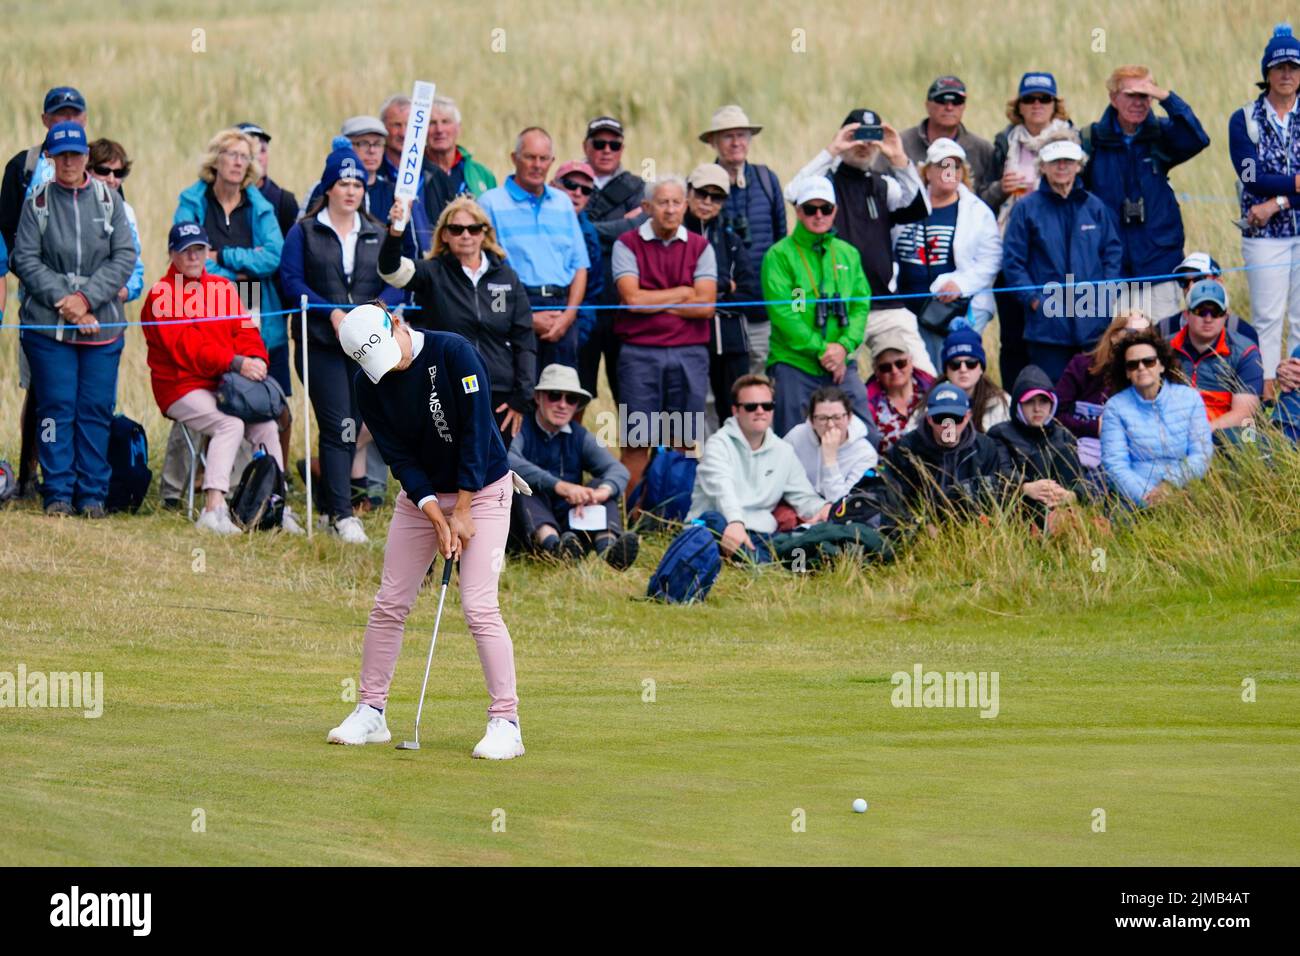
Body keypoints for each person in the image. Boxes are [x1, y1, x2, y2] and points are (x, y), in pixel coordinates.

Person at [326, 304, 525, 761]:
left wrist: (465, 508)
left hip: (486, 491)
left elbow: (478, 432)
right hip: (424, 498)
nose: (390, 369)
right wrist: (436, 514)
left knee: (478, 606)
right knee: (390, 601)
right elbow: (399, 456)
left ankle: (506, 721)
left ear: (396, 324)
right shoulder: (367, 382)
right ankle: (370, 711)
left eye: (390, 356)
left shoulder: (455, 353)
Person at [12, 121, 135, 517]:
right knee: (55, 407)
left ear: (85, 156)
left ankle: (93, 493)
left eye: (75, 154)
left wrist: (85, 299)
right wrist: (64, 300)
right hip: (49, 329)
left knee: (95, 408)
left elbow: (124, 256)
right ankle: (58, 491)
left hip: (102, 327)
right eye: (61, 154)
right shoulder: (38, 204)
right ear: (50, 156)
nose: (69, 161)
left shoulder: (108, 201)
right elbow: (24, 259)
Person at [280, 145, 401, 544]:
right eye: (343, 183)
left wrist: (379, 309)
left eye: (357, 184)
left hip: (367, 345)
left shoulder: (376, 232)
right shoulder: (305, 231)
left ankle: (343, 502)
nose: (350, 191)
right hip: (321, 344)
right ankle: (341, 514)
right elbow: (292, 280)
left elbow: (394, 279)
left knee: (361, 424)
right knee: (338, 426)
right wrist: (330, 311)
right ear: (328, 187)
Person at [142, 223, 297, 534]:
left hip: (225, 385)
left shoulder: (223, 288)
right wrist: (235, 362)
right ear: (172, 253)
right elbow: (186, 349)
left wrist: (255, 360)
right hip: (181, 386)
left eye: (198, 248)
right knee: (231, 424)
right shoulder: (162, 294)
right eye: (186, 250)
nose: (193, 256)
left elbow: (247, 331)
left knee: (267, 425)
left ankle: (276, 506)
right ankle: (213, 510)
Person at [782, 108, 934, 375]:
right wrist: (833, 150)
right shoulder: (824, 186)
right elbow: (794, 192)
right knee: (830, 383)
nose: (864, 144)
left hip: (885, 305)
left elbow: (920, 207)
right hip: (837, 308)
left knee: (924, 376)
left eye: (871, 136)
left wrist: (898, 156)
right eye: (857, 135)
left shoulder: (883, 185)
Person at [378, 194, 536, 437]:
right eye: (456, 229)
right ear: (444, 234)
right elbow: (390, 271)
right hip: (447, 388)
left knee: (493, 472)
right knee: (452, 469)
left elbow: (524, 340)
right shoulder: (431, 273)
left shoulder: (507, 277)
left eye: (473, 229)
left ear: (484, 233)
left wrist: (522, 397)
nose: (466, 235)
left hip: (499, 393)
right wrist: (396, 230)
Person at [2, 86, 89, 502]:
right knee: (40, 389)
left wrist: (85, 295)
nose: (66, 120)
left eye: (74, 114)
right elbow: (9, 237)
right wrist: (50, 288)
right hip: (37, 298)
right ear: (44, 120)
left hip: (89, 305)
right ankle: (28, 475)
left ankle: (76, 477)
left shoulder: (92, 164)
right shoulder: (22, 166)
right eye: (58, 114)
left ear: (84, 119)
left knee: (82, 391)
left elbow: (115, 240)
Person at [612, 175, 717, 492]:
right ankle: (631, 516)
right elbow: (632, 300)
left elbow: (705, 307)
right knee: (636, 440)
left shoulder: (700, 247)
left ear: (685, 206)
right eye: (662, 203)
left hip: (689, 353)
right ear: (647, 207)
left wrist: (654, 301)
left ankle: (671, 512)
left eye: (676, 202)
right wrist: (684, 292)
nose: (670, 210)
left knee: (683, 439)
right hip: (640, 354)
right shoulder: (627, 244)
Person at [1081, 65, 1209, 319]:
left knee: (1161, 344)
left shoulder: (1160, 134)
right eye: (1132, 94)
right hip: (1111, 269)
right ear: (1113, 98)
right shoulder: (1091, 140)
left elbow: (1197, 139)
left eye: (1146, 95)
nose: (1139, 102)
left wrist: (1166, 97)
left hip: (1159, 263)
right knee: (1117, 347)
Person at [1002, 131, 1124, 382]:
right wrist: (1034, 300)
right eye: (1055, 160)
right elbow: (1013, 263)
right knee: (1051, 399)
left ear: (1079, 165)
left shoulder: (1095, 207)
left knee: (1093, 399)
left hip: (1094, 327)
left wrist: (1107, 293)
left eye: (1068, 160)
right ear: (1042, 166)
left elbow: (1112, 253)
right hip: (1047, 331)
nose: (1062, 166)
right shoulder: (1026, 208)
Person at [982, 72, 1075, 387]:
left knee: (1057, 337)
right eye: (1029, 99)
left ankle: (1055, 410)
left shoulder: (1071, 141)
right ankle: (1013, 407)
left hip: (1054, 253)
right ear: (1018, 106)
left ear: (1055, 105)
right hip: (1013, 249)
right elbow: (981, 200)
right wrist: (1000, 188)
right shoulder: (1004, 142)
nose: (1037, 105)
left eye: (1044, 99)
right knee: (1013, 338)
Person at [761, 177, 871, 436]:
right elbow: (785, 314)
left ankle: (864, 477)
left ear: (835, 211)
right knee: (793, 437)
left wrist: (844, 346)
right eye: (811, 209)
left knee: (866, 432)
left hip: (841, 360)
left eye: (826, 208)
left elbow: (860, 305)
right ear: (798, 212)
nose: (818, 215)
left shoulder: (848, 253)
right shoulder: (779, 255)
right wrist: (822, 350)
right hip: (795, 362)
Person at [506, 364, 639, 569]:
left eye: (571, 399)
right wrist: (560, 486)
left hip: (571, 522)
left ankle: (611, 550)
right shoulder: (522, 426)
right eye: (555, 395)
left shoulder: (579, 435)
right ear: (538, 397)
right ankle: (554, 548)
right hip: (527, 527)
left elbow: (618, 470)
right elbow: (509, 461)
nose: (562, 404)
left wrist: (601, 493)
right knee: (522, 486)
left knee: (600, 484)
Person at [688, 374, 830, 562]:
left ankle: (768, 562)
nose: (760, 411)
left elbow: (803, 496)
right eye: (751, 406)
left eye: (767, 406)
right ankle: (762, 563)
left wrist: (824, 508)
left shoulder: (783, 451)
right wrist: (735, 521)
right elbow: (723, 491)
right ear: (736, 410)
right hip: (719, 525)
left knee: (802, 544)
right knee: (714, 520)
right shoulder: (717, 445)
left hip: (762, 533)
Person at [478, 127, 589, 368]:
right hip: (514, 305)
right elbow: (484, 271)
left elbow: (580, 265)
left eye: (543, 158)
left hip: (561, 311)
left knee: (561, 399)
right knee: (520, 398)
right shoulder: (490, 204)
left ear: (552, 161)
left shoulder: (562, 203)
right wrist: (524, 318)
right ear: (514, 158)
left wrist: (569, 316)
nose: (537, 165)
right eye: (530, 157)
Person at [889, 138, 1001, 370]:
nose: (949, 171)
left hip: (952, 313)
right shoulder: (907, 204)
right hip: (906, 312)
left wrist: (960, 284)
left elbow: (991, 260)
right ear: (927, 171)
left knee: (949, 373)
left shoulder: (978, 212)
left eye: (956, 166)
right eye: (942, 165)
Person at [1231, 25, 1300, 397]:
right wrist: (1295, 185)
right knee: (1267, 320)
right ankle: (1266, 396)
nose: (1286, 74)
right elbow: (1251, 177)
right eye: (1279, 67)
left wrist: (1280, 201)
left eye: (1293, 66)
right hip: (1264, 238)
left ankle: (1297, 396)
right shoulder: (1244, 119)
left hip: (1288, 225)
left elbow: (1267, 190)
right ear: (1266, 73)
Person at [701, 104, 786, 370]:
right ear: (714, 142)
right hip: (719, 310)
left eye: (742, 135)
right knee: (718, 390)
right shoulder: (703, 185)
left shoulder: (766, 180)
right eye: (728, 136)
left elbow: (781, 242)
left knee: (763, 381)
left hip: (763, 306)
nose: (736, 142)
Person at [235, 122, 298, 476]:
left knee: (275, 393)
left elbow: (281, 259)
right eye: (246, 150)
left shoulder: (283, 200)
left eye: (260, 149)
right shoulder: (219, 198)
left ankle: (279, 473)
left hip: (272, 304)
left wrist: (248, 261)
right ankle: (239, 471)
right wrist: (247, 260)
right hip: (237, 296)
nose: (256, 156)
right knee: (235, 388)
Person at [1100, 328, 1213, 507]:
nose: (1141, 368)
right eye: (1133, 365)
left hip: (1184, 491)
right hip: (1133, 500)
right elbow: (1115, 465)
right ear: (1127, 373)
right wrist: (1147, 498)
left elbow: (1202, 455)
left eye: (1149, 361)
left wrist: (1170, 486)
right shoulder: (1115, 407)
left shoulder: (1190, 398)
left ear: (1161, 365)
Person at [683, 162, 759, 422]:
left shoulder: (732, 241)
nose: (707, 201)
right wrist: (725, 285)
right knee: (689, 416)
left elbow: (750, 294)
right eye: (701, 193)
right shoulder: (675, 236)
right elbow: (675, 289)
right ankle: (691, 464)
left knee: (737, 415)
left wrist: (703, 300)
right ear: (688, 192)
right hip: (689, 341)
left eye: (716, 197)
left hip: (732, 342)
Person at [579, 115, 645, 407]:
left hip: (624, 305)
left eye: (614, 144)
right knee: (573, 394)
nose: (607, 150)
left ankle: (638, 455)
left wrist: (587, 229)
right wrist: (621, 225)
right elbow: (570, 232)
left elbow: (640, 228)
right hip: (583, 304)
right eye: (600, 143)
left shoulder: (638, 186)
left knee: (630, 396)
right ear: (586, 146)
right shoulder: (571, 181)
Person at [884, 381, 1012, 521]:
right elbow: (894, 503)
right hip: (922, 530)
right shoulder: (905, 450)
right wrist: (922, 525)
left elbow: (997, 499)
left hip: (976, 527)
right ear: (929, 419)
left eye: (956, 418)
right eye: (941, 418)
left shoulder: (985, 448)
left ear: (968, 416)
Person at [988, 365, 1090, 528]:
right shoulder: (999, 433)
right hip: (1021, 510)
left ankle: (1065, 523)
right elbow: (999, 473)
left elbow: (1082, 479)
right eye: (1030, 402)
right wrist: (1025, 487)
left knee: (1063, 452)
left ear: (1052, 403)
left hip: (1062, 505)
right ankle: (1045, 526)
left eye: (1043, 401)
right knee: (1037, 459)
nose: (1037, 409)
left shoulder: (1063, 434)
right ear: (1018, 405)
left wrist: (1071, 495)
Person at [1056, 308, 1151, 470]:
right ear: (1114, 336)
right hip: (1074, 453)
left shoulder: (1149, 377)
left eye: (1144, 337)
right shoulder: (1081, 366)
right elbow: (1054, 414)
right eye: (1132, 333)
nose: (1137, 342)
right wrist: (1094, 427)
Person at [1167, 280, 1263, 434]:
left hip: (1223, 434)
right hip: (1171, 431)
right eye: (1201, 311)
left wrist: (1199, 434)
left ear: (1226, 316)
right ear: (1186, 314)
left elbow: (1244, 414)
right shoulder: (1165, 347)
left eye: (1216, 311)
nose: (1208, 318)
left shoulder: (1246, 351)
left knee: (1248, 433)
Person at [376, 93, 455, 258]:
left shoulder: (436, 176)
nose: (404, 133)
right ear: (383, 129)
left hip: (431, 271)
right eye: (396, 125)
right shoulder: (373, 177)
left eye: (410, 125)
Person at [550, 159, 604, 395]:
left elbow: (593, 291)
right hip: (531, 325)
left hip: (573, 331)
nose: (577, 193)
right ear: (553, 184)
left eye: (585, 190)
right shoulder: (536, 218)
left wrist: (576, 331)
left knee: (571, 398)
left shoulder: (589, 234)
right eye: (570, 184)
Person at [892, 76, 996, 195]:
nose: (949, 108)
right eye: (942, 101)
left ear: (964, 107)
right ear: (927, 105)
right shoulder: (901, 144)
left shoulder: (982, 150)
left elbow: (989, 200)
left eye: (957, 101)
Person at [784, 385, 880, 501]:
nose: (830, 425)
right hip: (799, 504)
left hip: (838, 514)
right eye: (822, 418)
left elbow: (843, 503)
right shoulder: (796, 436)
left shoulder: (865, 454)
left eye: (837, 417)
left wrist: (830, 461)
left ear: (849, 418)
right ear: (812, 420)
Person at [86, 139, 144, 305]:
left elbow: (135, 263)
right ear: (87, 170)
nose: (111, 179)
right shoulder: (69, 205)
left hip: (111, 307)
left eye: (118, 173)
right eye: (103, 171)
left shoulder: (127, 211)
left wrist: (126, 290)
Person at [1156, 252, 1259, 344]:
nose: (1191, 287)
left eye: (1198, 280)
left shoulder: (1242, 331)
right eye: (1184, 282)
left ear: (1218, 282)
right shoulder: (1164, 328)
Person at [926, 328, 1009, 432]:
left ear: (981, 368)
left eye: (971, 363)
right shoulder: (930, 403)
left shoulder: (1002, 403)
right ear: (946, 370)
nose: (963, 369)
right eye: (955, 364)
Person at [865, 330, 936, 452]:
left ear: (911, 362)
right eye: (885, 367)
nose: (894, 371)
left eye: (900, 363)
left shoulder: (933, 391)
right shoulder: (867, 405)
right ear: (876, 371)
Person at [425, 95, 497, 197]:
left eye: (446, 122)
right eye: (432, 123)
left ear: (458, 128)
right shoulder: (411, 172)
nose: (439, 130)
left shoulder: (482, 174)